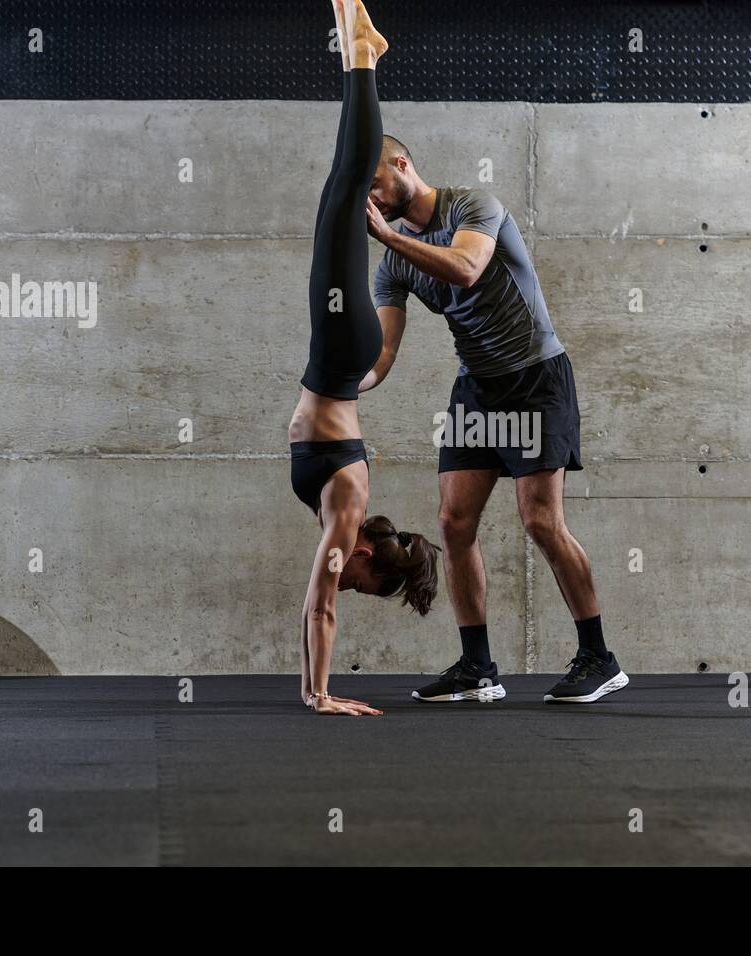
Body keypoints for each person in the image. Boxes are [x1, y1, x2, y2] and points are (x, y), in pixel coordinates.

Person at [360, 134, 629, 704]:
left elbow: (465, 267)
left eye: (376, 185)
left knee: (540, 522)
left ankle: (599, 658)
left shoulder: (474, 206)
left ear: (403, 166)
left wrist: (388, 237)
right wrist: (339, 388)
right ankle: (477, 667)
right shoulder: (394, 265)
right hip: (477, 389)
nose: (374, 200)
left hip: (536, 377)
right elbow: (381, 356)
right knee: (454, 524)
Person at [290, 0, 438, 717]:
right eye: (368, 587)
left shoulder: (343, 511)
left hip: (349, 359)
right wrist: (319, 695)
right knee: (347, 189)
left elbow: (324, 596)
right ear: (372, 560)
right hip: (345, 347)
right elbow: (321, 605)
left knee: (338, 193)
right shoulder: (348, 512)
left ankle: (363, 50)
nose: (353, 586)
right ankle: (361, 52)